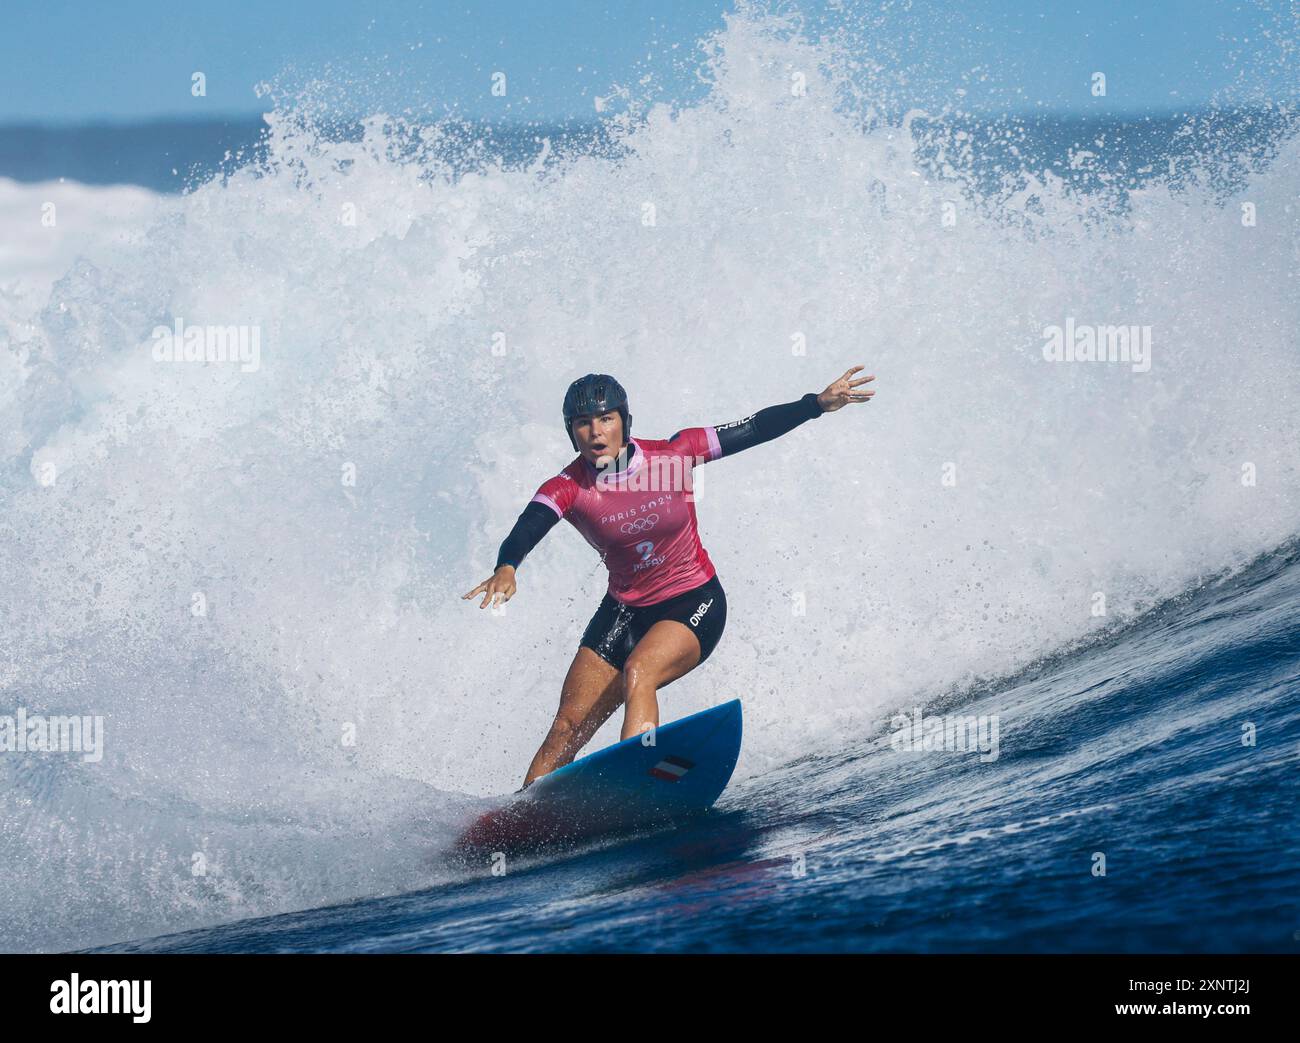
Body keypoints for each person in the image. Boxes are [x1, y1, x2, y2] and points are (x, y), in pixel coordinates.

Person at [463, 367, 875, 789]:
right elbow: (527, 527)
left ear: (624, 421)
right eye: (583, 423)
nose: (595, 431)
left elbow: (754, 427)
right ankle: (522, 818)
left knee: (640, 671)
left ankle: (638, 784)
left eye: (606, 418)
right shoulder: (568, 486)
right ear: (572, 433)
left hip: (693, 601)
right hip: (625, 611)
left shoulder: (674, 455)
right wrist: (507, 566)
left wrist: (816, 405)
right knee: (567, 727)